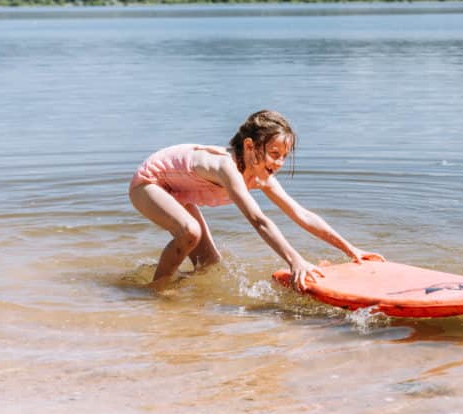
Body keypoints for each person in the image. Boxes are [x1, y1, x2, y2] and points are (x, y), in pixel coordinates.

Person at [129, 110, 381, 290]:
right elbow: (259, 220)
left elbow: (301, 215)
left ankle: (160, 281)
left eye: (284, 156)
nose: (279, 163)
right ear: (249, 146)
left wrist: (352, 250)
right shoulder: (225, 167)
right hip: (150, 183)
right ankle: (155, 292)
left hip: (177, 190)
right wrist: (295, 260)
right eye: (273, 154)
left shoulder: (260, 176)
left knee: (209, 264)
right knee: (189, 232)